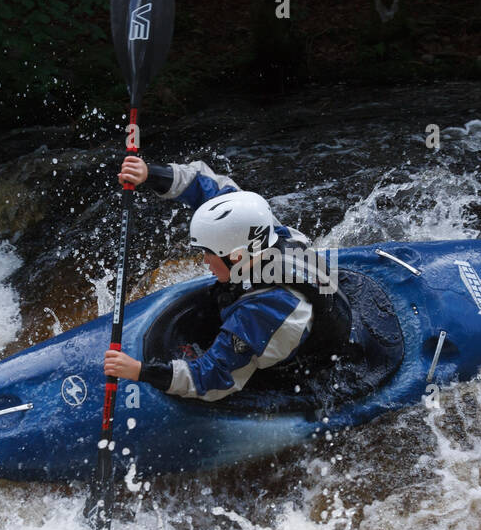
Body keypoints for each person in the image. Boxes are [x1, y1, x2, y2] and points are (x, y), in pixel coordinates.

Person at [102, 156, 350, 401]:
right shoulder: (262, 231)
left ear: (237, 256)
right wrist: (150, 173)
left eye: (209, 253)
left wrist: (139, 371)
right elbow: (207, 186)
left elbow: (212, 379)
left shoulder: (264, 311)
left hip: (303, 365)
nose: (205, 261)